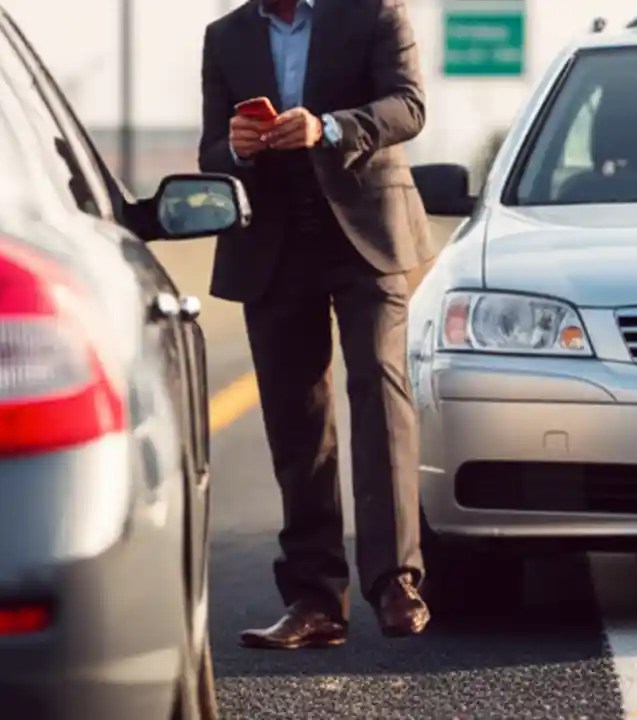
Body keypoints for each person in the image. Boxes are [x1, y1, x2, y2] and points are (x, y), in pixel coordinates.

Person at [198, 0, 435, 649]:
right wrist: (237, 147)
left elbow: (409, 106)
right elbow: (211, 149)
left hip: (367, 234)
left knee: (380, 389)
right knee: (295, 418)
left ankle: (395, 581)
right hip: (272, 245)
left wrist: (326, 128)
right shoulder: (224, 36)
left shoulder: (376, 12)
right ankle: (315, 601)